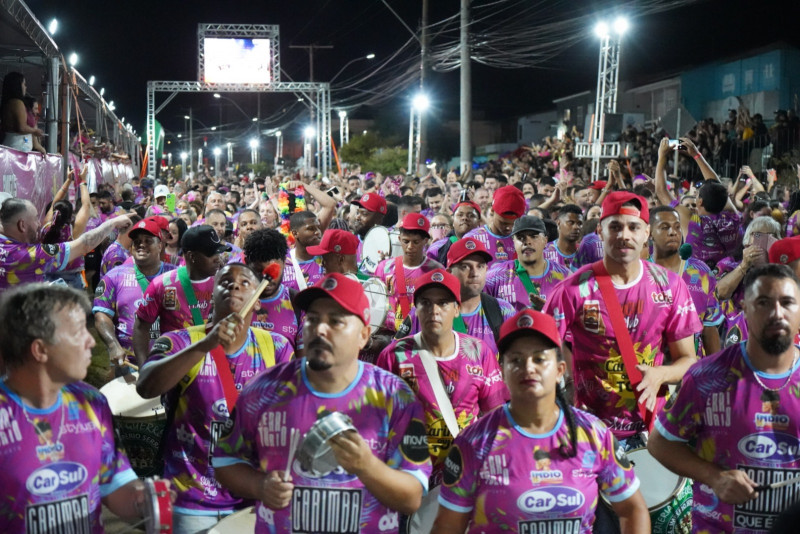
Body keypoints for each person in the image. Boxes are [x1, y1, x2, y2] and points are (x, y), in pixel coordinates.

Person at [211, 273, 432, 533]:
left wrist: (366, 465)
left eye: (336, 321)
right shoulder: (264, 390)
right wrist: (259, 486)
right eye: (313, 319)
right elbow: (225, 462)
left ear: (363, 335)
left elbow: (412, 498)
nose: (320, 329)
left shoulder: (395, 397)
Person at [433, 308, 649, 534]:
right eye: (516, 360)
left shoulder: (594, 434)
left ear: (559, 370)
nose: (528, 368)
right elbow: (447, 527)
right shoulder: (473, 443)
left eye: (539, 358)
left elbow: (632, 510)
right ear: (503, 372)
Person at [137, 263, 294, 533]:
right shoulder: (179, 341)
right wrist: (205, 345)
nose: (234, 285)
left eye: (245, 283)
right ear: (212, 296)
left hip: (251, 499)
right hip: (191, 502)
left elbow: (292, 416)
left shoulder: (278, 348)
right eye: (225, 282)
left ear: (257, 301)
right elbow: (146, 386)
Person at [648, 264, 800, 534]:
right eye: (763, 302)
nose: (777, 313)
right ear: (744, 310)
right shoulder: (706, 377)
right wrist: (714, 477)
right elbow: (660, 444)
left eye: (787, 302)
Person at [544, 191, 701, 443]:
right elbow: (541, 355)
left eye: (633, 227)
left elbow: (688, 360)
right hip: (590, 433)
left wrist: (659, 374)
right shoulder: (571, 290)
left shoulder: (670, 286)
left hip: (651, 431)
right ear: (599, 230)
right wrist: (566, 391)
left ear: (646, 233)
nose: (624, 235)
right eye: (615, 226)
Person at [0, 284, 156, 532]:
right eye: (78, 332)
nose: (90, 342)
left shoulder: (91, 402)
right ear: (40, 349)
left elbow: (114, 484)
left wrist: (147, 501)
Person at [376, 268, 507, 514]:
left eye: (443, 303)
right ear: (415, 309)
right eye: (425, 303)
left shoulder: (478, 352)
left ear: (457, 309)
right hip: (410, 481)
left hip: (466, 480)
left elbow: (496, 419)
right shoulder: (394, 355)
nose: (434, 311)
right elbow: (379, 422)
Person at [397, 238, 516, 355]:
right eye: (465, 267)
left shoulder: (503, 311)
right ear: (449, 273)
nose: (474, 274)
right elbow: (396, 353)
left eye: (480, 266)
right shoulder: (425, 310)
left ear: (486, 269)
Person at [132, 225, 224, 366]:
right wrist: (144, 368)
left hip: (214, 366)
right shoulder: (162, 285)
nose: (218, 259)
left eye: (219, 253)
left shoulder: (225, 283)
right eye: (212, 254)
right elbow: (141, 328)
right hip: (173, 368)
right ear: (192, 256)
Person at [94, 218, 176, 370]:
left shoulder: (176, 276)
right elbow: (101, 315)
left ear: (160, 245)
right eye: (137, 241)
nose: (141, 244)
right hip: (129, 363)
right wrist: (113, 345)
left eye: (148, 240)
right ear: (131, 247)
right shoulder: (114, 276)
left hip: (170, 361)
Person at [0, 197, 131, 290]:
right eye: (35, 218)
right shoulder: (28, 255)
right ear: (22, 225)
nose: (39, 223)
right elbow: (83, 245)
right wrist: (113, 222)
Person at [648, 205, 723, 357]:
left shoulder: (701, 272)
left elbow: (709, 329)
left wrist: (716, 369)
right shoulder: (640, 272)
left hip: (692, 371)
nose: (673, 232)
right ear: (649, 233)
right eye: (664, 227)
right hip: (652, 369)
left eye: (677, 227)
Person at [485, 215, 572, 311]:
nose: (527, 242)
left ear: (545, 241)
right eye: (520, 238)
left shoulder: (565, 277)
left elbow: (575, 317)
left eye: (534, 237)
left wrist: (549, 310)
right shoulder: (495, 276)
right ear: (513, 242)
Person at [375, 213, 444, 331]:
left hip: (423, 335)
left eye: (416, 242)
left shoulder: (437, 271)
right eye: (406, 241)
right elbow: (376, 304)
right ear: (399, 239)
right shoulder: (384, 268)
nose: (410, 247)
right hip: (388, 335)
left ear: (425, 241)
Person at [242, 228, 302, 350]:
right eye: (259, 271)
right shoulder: (235, 302)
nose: (266, 279)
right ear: (247, 264)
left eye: (272, 270)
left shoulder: (297, 303)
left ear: (285, 262)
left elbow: (301, 362)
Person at [464, 185, 526, 266]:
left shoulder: (524, 241)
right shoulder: (473, 239)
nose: (508, 228)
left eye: (514, 224)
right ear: (492, 211)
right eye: (503, 223)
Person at [427, 200, 483, 265]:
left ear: (479, 223)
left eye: (470, 215)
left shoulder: (486, 243)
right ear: (453, 221)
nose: (464, 218)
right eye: (460, 215)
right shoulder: (437, 247)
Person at [0, 72, 44, 153]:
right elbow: (22, 127)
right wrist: (35, 131)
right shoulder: (17, 103)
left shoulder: (10, 102)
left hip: (17, 147)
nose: (25, 87)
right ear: (17, 85)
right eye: (24, 84)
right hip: (16, 148)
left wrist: (37, 144)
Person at [283, 211, 325, 290]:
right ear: (295, 234)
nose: (317, 232)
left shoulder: (327, 257)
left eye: (318, 227)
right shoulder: (283, 262)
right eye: (311, 228)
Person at [543, 204, 584, 271]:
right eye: (571, 222)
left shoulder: (585, 253)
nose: (576, 227)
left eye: (579, 224)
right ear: (558, 223)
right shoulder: (544, 252)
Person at [352, 192, 388, 266]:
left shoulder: (386, 244)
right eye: (358, 213)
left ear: (379, 219)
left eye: (364, 214)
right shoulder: (351, 240)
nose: (357, 217)